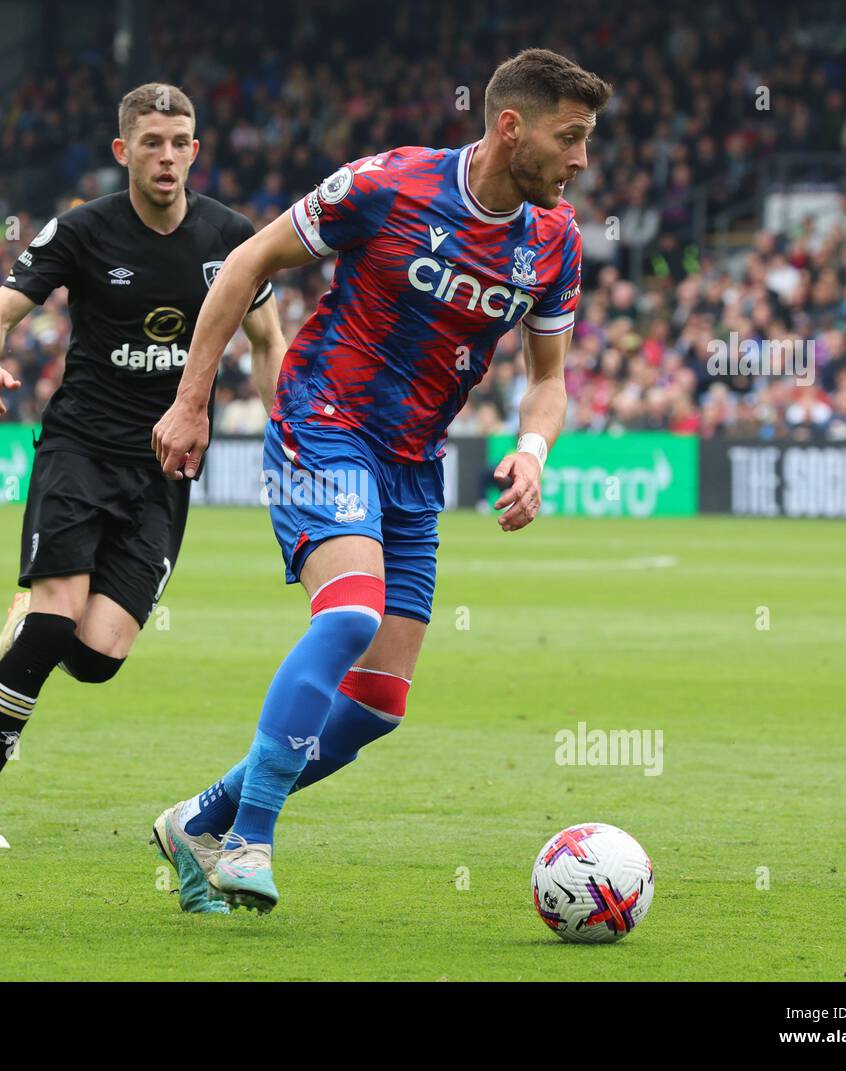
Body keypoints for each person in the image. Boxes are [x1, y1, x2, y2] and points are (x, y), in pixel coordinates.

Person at [152, 48, 610, 913]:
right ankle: (250, 836)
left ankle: (198, 820)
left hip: (412, 462)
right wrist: (192, 401)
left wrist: (535, 451)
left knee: (377, 701)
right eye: (572, 137)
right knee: (351, 612)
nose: (582, 159)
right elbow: (248, 262)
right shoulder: (389, 183)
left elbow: (548, 381)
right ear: (511, 127)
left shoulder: (555, 242)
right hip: (323, 419)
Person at [0, 85, 287, 879]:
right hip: (78, 450)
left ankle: (23, 628)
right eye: (153, 142)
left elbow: (269, 340)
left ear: (197, 151)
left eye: (182, 142)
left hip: (166, 467)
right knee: (60, 623)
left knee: (99, 655)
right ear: (123, 151)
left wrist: (285, 433)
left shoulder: (234, 239)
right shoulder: (85, 229)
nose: (168, 156)